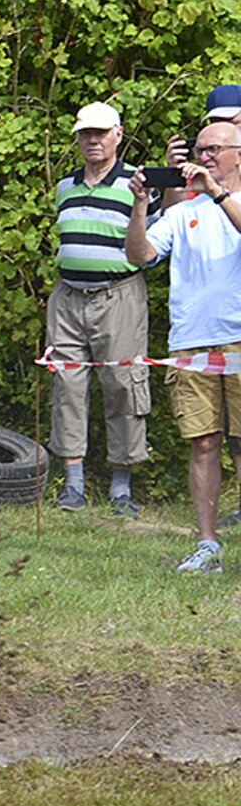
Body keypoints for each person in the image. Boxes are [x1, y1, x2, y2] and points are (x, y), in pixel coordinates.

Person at [124, 123, 241, 574]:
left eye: (214, 150)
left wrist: (214, 192)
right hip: (191, 340)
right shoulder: (181, 210)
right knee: (205, 444)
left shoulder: (224, 201)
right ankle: (207, 544)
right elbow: (140, 255)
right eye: (200, 150)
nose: (205, 157)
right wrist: (139, 206)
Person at [45, 101, 149, 515]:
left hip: (119, 294)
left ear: (117, 136)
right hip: (68, 296)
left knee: (124, 385)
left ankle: (121, 488)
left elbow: (150, 241)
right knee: (67, 387)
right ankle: (73, 485)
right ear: (77, 138)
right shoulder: (65, 186)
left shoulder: (135, 185)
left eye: (101, 133)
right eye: (86, 133)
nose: (93, 140)